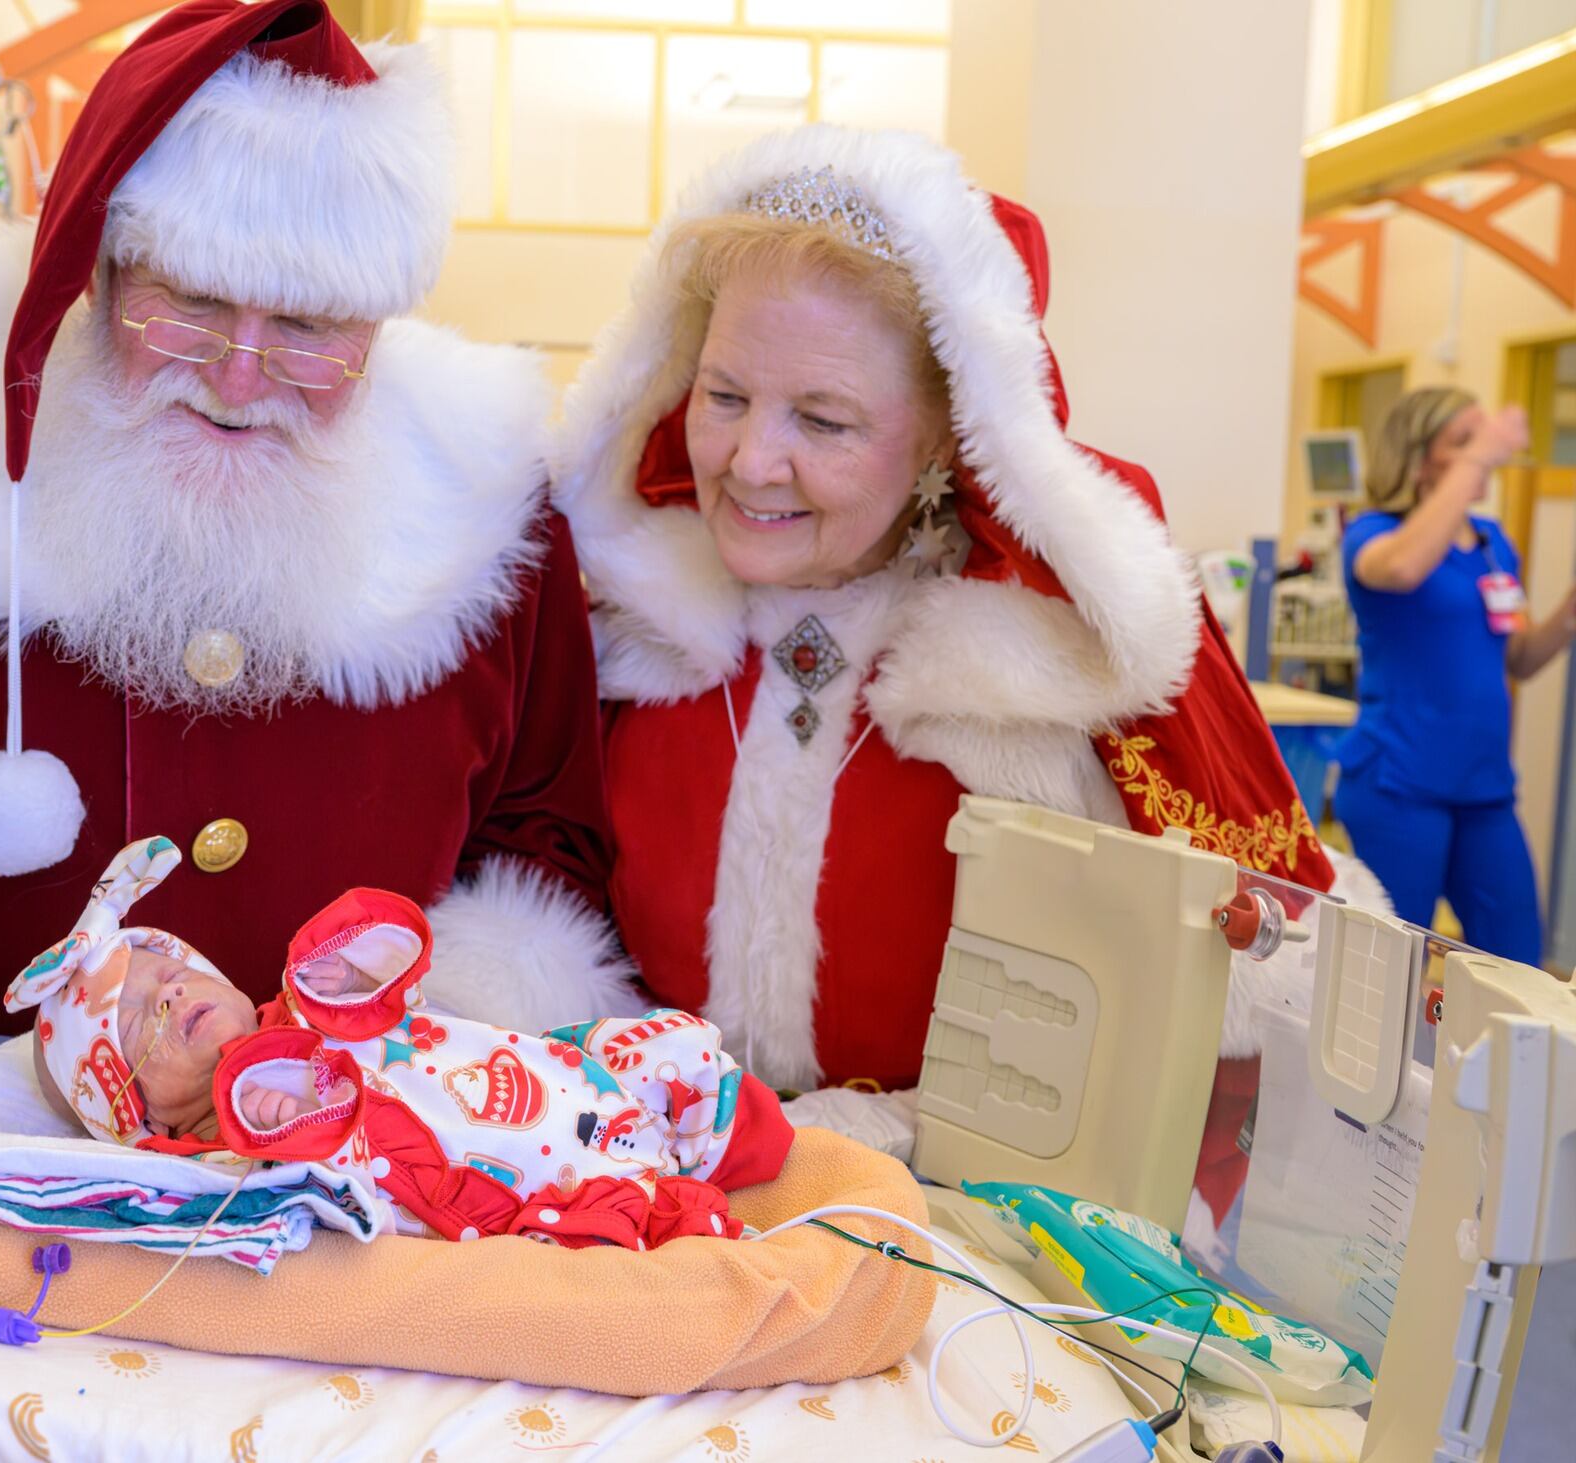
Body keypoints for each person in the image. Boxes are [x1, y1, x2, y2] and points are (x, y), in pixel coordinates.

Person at [0, 0, 633, 1037]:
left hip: (325, 1153)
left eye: (306, 327)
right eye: (191, 303)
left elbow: (544, 841)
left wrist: (405, 1060)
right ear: (99, 271)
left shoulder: (487, 506)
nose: (236, 375)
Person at [553, 128, 1356, 1105]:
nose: (750, 461)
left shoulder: (1042, 688)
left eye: (821, 419)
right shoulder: (624, 636)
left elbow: (1160, 1053)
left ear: (947, 435)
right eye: (723, 395)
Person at [9, 837, 793, 1251]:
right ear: (147, 1120)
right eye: (139, 1018)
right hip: (515, 1182)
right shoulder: (222, 1157)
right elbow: (305, 1199)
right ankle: (686, 1204)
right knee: (615, 1231)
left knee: (655, 1062)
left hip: (540, 1076)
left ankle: (732, 1142)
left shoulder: (302, 998)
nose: (170, 990)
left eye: (170, 969)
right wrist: (272, 1132)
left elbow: (391, 969)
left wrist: (346, 962)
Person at [1335, 388, 1575, 964]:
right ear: (1420, 459)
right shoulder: (1373, 535)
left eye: (1482, 440)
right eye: (1463, 442)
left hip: (1484, 789)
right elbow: (1400, 568)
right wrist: (1482, 456)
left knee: (1518, 963)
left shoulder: (1493, 547)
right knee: (1388, 972)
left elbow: (1520, 657)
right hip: (1398, 784)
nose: (1483, 457)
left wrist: (1568, 613)